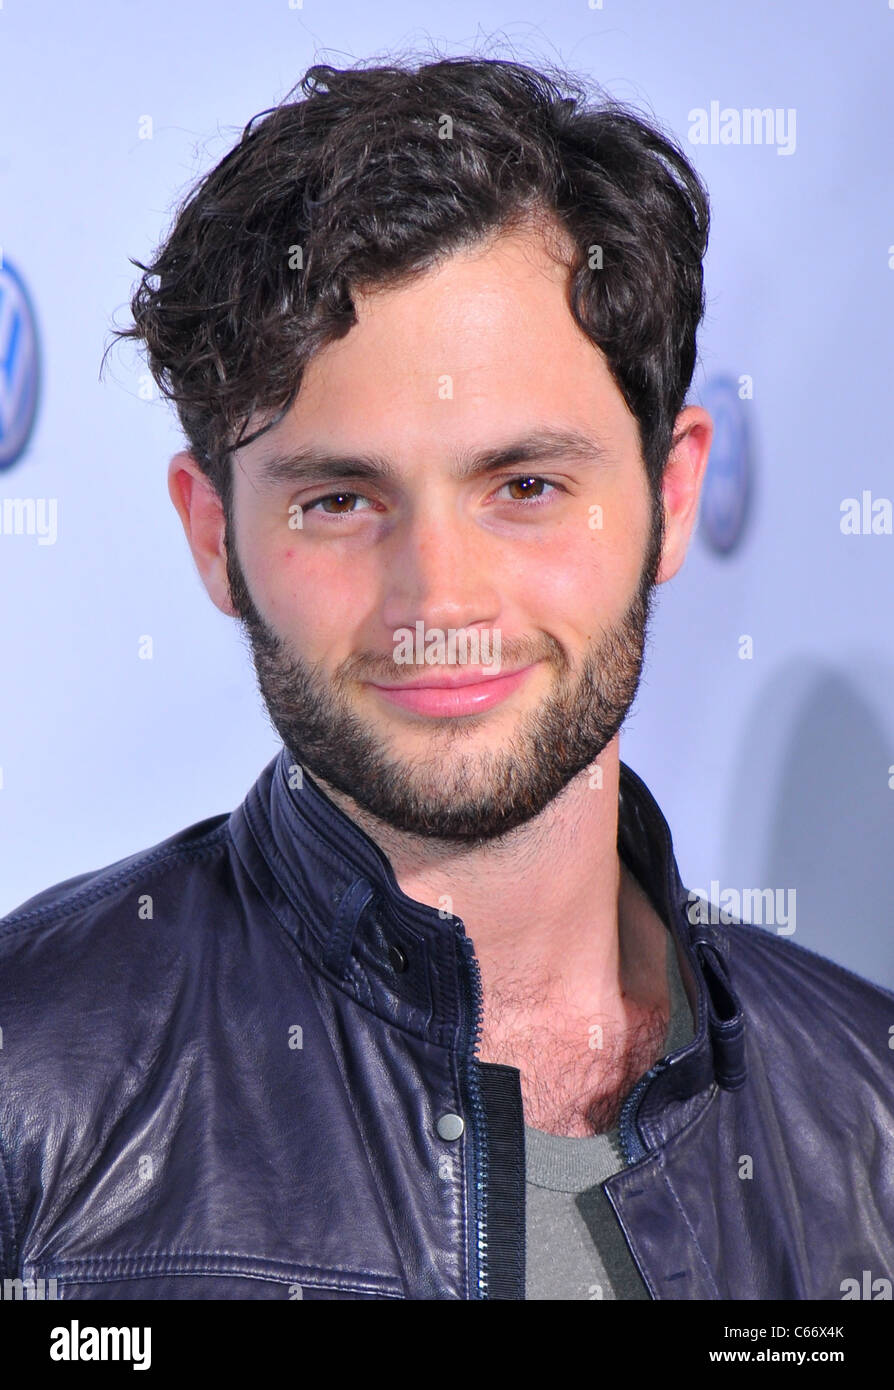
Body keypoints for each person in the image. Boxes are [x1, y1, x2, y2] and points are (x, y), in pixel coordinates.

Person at [1, 55, 892, 1302]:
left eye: (524, 487)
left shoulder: (870, 1118)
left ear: (673, 495)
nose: (439, 598)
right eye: (340, 498)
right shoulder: (26, 1081)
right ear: (215, 536)